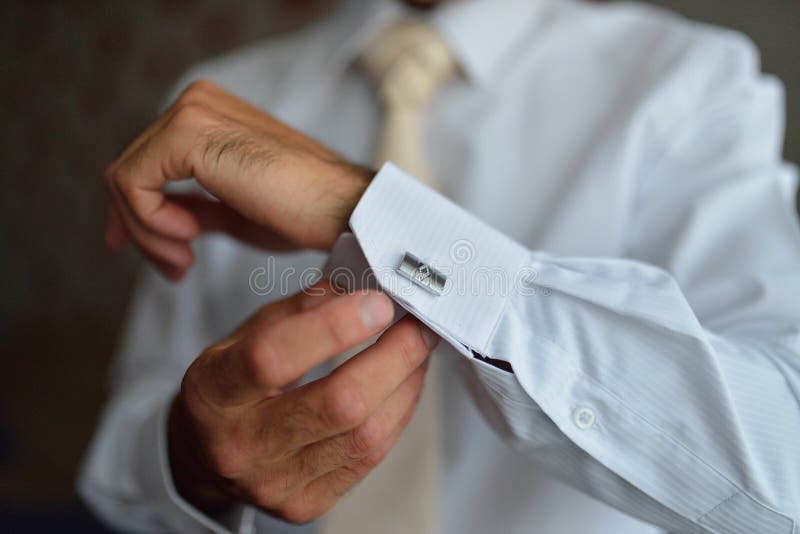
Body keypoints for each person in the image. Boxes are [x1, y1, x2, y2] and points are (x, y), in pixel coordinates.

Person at [79, 0, 800, 532]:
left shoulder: (687, 83)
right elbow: (117, 461)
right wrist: (191, 467)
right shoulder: (222, 100)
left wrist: (368, 211)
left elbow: (783, 472)